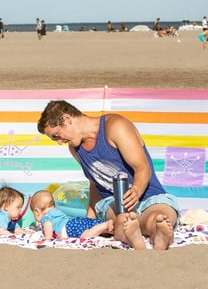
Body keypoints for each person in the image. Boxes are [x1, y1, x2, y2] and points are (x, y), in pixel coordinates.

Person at [37, 100, 181, 250]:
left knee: (159, 217)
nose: (59, 142)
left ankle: (158, 235)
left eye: (56, 135)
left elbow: (142, 167)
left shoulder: (115, 126)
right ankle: (135, 236)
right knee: (121, 219)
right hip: (114, 203)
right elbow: (94, 182)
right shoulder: (75, 148)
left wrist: (136, 190)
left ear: (67, 119)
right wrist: (89, 220)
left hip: (149, 194)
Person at [29, 190, 113, 241]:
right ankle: (109, 229)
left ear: (37, 212)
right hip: (76, 221)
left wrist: (48, 238)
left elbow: (48, 225)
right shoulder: (56, 211)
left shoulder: (46, 216)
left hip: (69, 227)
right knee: (94, 226)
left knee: (86, 235)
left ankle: (106, 225)